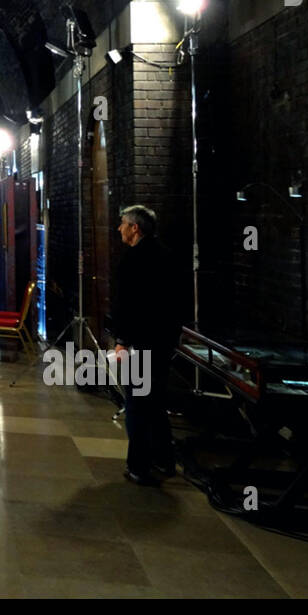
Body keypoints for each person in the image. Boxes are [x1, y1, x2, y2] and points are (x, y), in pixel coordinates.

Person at [111, 204, 183, 485]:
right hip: (163, 342)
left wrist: (121, 341)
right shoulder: (167, 256)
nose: (119, 228)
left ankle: (138, 466)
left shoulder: (132, 259)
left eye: (123, 224)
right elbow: (175, 302)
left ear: (135, 228)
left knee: (137, 405)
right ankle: (165, 460)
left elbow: (127, 305)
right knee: (155, 402)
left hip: (139, 343)